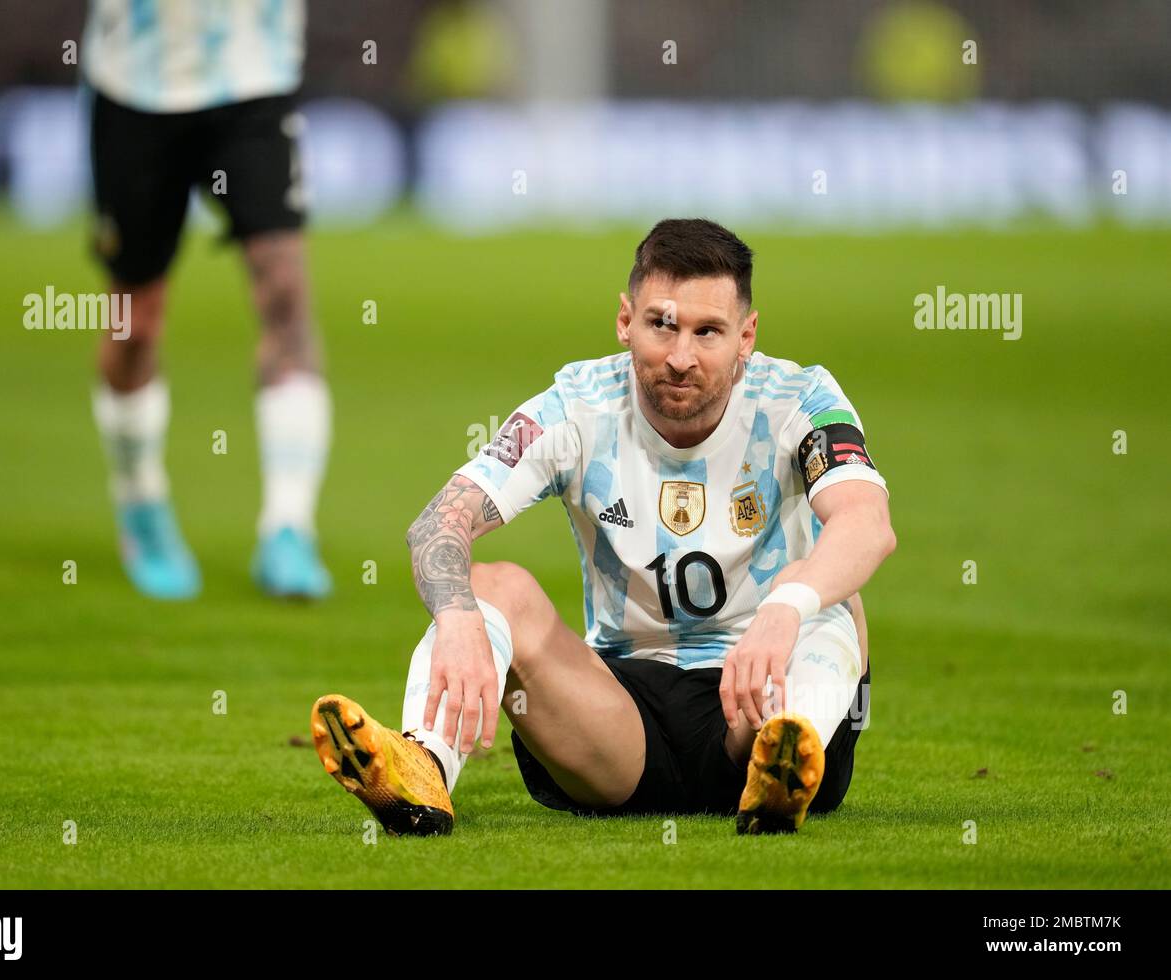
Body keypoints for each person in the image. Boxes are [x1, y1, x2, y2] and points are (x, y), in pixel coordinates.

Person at [311, 218, 895, 835]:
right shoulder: (576, 407)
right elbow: (439, 523)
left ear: (746, 335)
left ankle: (786, 755)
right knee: (493, 588)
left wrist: (786, 609)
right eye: (661, 324)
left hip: (759, 697)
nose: (680, 356)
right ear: (626, 321)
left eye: (708, 332)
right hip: (621, 724)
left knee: (831, 590)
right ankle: (422, 768)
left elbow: (867, 522)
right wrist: (458, 620)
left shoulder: (799, 399)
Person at [82, 0, 331, 600]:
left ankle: (289, 527)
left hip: (255, 76)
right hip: (136, 83)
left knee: (285, 293)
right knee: (135, 321)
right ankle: (140, 502)